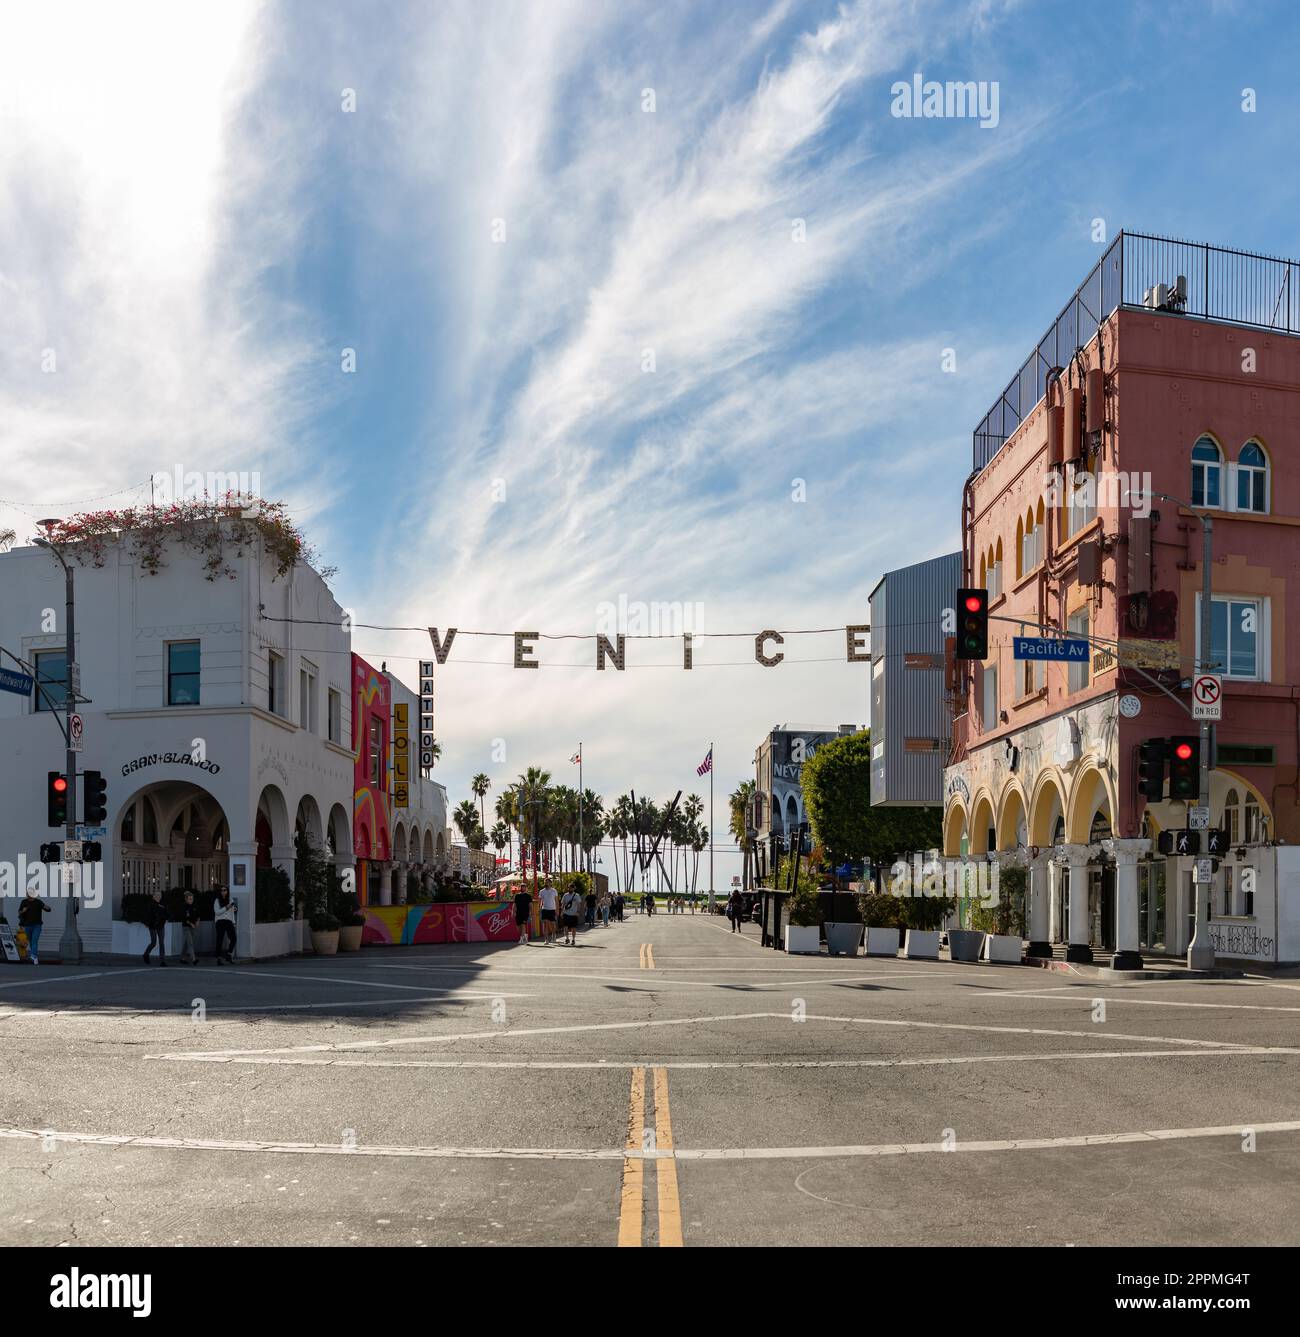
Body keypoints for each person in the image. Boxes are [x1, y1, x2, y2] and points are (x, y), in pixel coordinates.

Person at [18, 892, 53, 966]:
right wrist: (23, 911)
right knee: (31, 941)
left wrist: (48, 908)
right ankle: (35, 957)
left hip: (37, 925)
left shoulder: (38, 902)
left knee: (34, 940)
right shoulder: (24, 902)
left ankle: (33, 955)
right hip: (27, 925)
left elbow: (47, 909)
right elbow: (19, 913)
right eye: (27, 894)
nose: (27, 895)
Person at [143, 888, 168, 966]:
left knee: (161, 943)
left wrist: (165, 919)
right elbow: (147, 915)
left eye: (160, 895)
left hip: (161, 926)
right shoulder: (150, 905)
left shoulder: (163, 905)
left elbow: (166, 914)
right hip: (153, 926)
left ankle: (162, 961)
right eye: (156, 895)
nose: (158, 896)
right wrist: (147, 923)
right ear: (153, 896)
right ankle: (146, 954)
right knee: (153, 942)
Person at [213, 887, 237, 964]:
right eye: (221, 890)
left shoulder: (230, 900)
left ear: (227, 891)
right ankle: (218, 958)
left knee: (233, 938)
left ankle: (229, 955)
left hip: (229, 921)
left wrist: (233, 922)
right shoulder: (217, 900)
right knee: (220, 939)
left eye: (225, 890)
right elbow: (217, 912)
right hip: (220, 921)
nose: (223, 892)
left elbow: (232, 912)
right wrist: (226, 907)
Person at [180, 891, 200, 965]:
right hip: (186, 927)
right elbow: (184, 918)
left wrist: (198, 921)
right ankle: (193, 959)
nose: (191, 900)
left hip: (193, 927)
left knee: (187, 943)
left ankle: (182, 957)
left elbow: (198, 915)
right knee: (190, 943)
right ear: (186, 899)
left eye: (192, 899)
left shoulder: (195, 906)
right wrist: (191, 924)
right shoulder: (184, 907)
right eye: (189, 899)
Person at [538, 880, 558, 946]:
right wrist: (539, 908)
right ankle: (546, 940)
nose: (546, 883)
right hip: (544, 909)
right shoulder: (541, 891)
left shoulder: (554, 891)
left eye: (548, 882)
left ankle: (554, 935)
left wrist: (557, 910)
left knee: (553, 924)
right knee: (545, 924)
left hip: (552, 909)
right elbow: (540, 901)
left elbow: (556, 901)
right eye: (545, 882)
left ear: (550, 883)